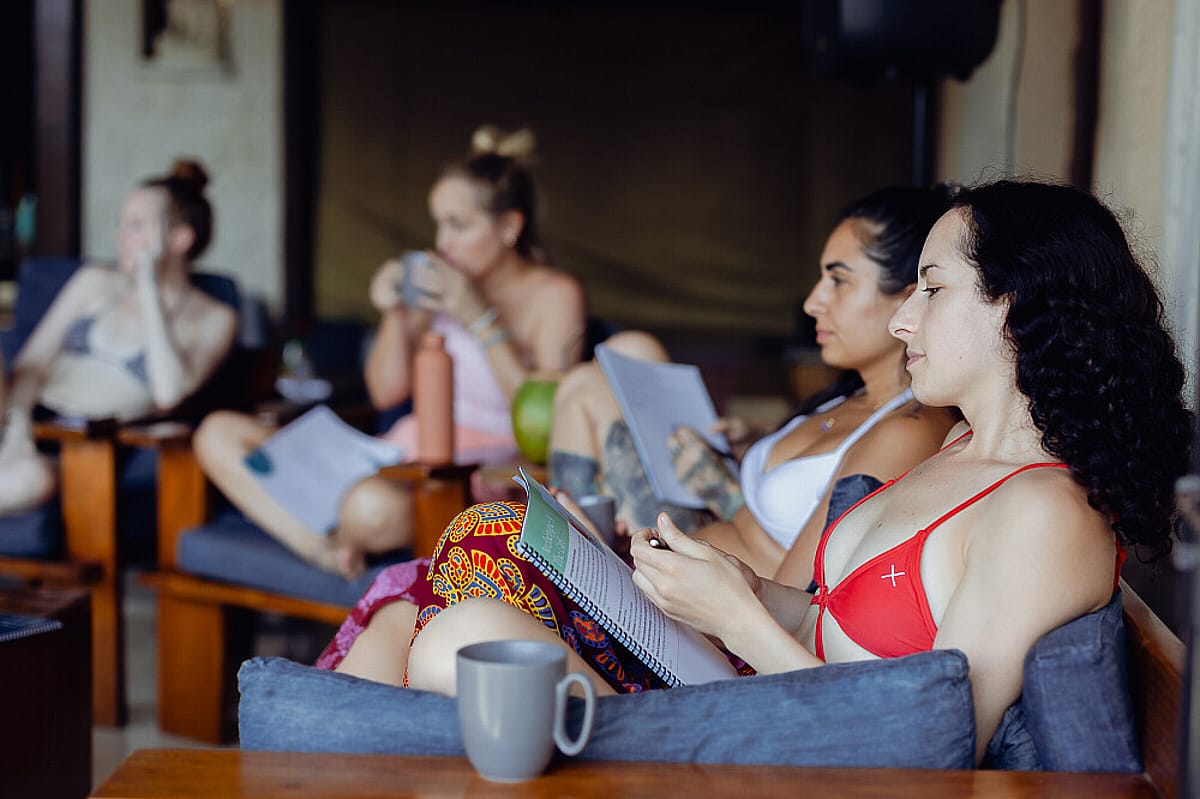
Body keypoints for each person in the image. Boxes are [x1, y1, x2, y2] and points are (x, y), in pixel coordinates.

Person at [321, 179, 1190, 765]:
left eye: (931, 290)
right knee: (424, 606)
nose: (902, 323)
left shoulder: (1046, 512)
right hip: (755, 696)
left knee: (454, 638)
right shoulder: (964, 451)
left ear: (1014, 305)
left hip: (789, 745)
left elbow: (936, 739)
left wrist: (738, 616)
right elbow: (835, 619)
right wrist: (727, 581)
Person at [194, 126, 586, 577]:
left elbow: (547, 426)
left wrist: (478, 317)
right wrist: (395, 315)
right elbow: (384, 393)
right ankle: (323, 549)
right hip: (394, 456)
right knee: (217, 432)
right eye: (438, 223)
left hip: (470, 477)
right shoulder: (437, 285)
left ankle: (337, 528)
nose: (442, 243)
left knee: (368, 509)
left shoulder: (555, 294)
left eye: (458, 225)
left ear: (509, 227)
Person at [549, 185, 960, 587]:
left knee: (500, 538)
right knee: (616, 361)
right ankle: (585, 532)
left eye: (838, 280)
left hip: (693, 622)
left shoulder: (906, 430)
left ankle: (584, 550)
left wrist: (720, 490)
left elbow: (801, 600)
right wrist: (755, 443)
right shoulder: (845, 398)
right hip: (673, 568)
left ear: (909, 299)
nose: (812, 302)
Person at [0, 159, 238, 515]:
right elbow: (30, 365)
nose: (120, 236)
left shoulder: (215, 318)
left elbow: (169, 393)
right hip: (19, 422)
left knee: (28, 479)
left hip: (86, 449)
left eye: (136, 226)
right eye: (122, 224)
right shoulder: (94, 282)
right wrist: (16, 433)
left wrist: (148, 287)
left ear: (179, 238)